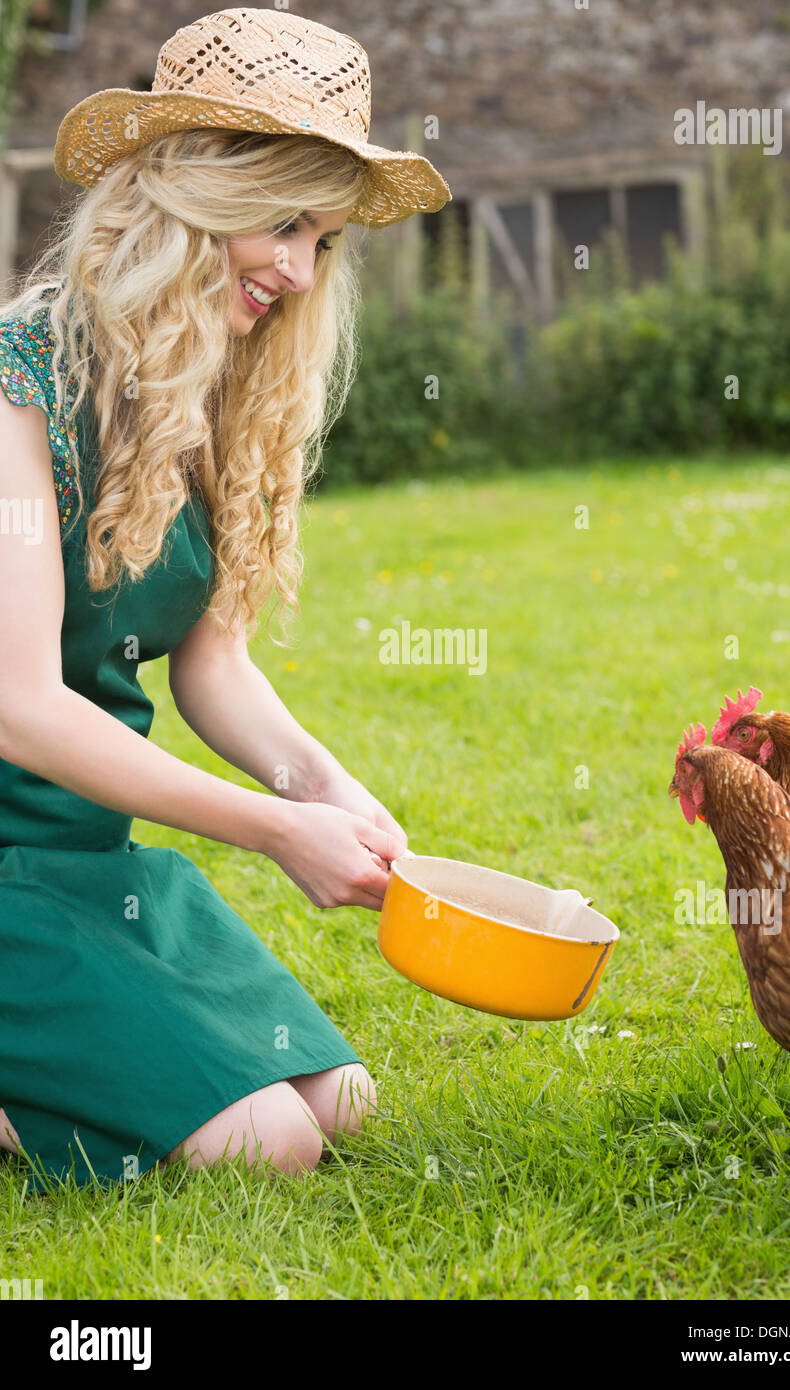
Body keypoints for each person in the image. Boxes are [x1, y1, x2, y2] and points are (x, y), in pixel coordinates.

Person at [0, 8, 451, 1190]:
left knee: (340, 1101)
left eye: (323, 241)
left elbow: (211, 663)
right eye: (284, 223)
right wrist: (273, 830)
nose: (298, 272)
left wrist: (323, 788)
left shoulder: (205, 397)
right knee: (269, 1143)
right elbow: (21, 708)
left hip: (84, 861)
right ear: (194, 192)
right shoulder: (17, 382)